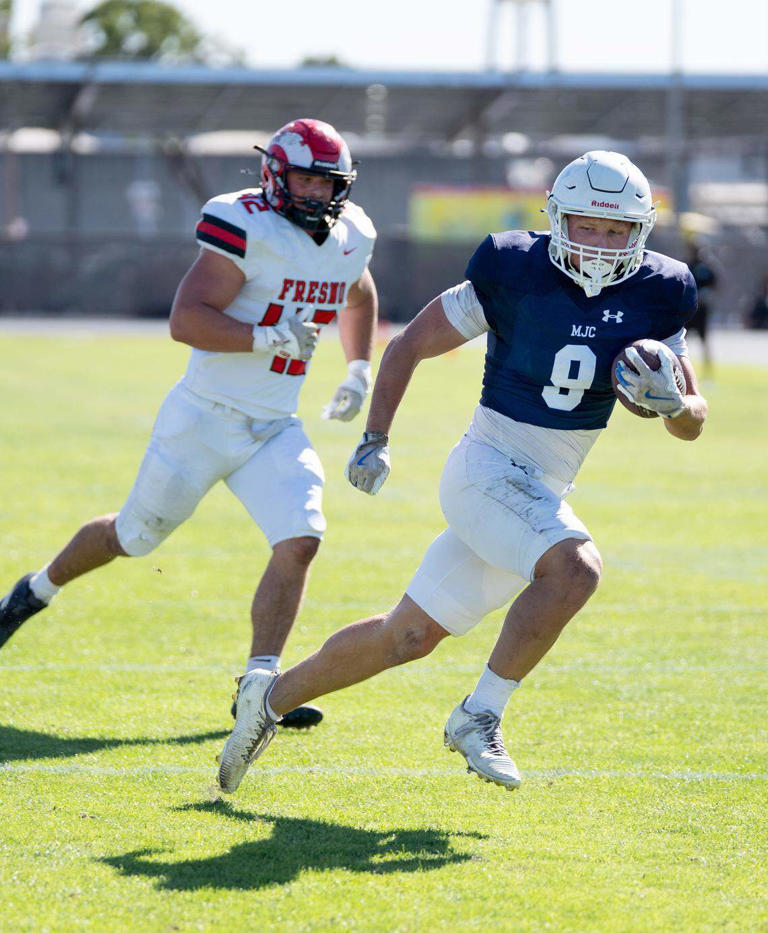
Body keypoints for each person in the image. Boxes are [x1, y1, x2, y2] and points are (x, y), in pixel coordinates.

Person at [216, 150, 708, 794]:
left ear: (640, 232)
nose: (599, 242)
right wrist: (375, 438)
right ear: (557, 218)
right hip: (487, 470)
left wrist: (676, 404)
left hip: (540, 489)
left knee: (406, 636)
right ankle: (480, 715)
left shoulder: (659, 290)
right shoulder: (513, 268)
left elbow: (691, 422)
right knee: (575, 568)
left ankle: (267, 700)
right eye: (587, 225)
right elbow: (409, 345)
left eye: (616, 231)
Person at [0, 118, 378, 729]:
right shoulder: (245, 224)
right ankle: (32, 592)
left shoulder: (350, 234)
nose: (318, 193)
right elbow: (186, 320)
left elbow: (357, 293)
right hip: (203, 418)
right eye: (307, 179)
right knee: (132, 536)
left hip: (274, 425)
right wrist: (266, 337)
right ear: (276, 175)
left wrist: (358, 369)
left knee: (302, 538)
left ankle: (258, 689)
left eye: (328, 182)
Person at [685, 244, 718, 376]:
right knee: (681, 341)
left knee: (704, 342)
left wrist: (706, 294)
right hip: (689, 310)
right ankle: (679, 368)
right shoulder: (687, 266)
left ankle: (708, 372)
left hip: (702, 311)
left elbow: (715, 284)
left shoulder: (707, 268)